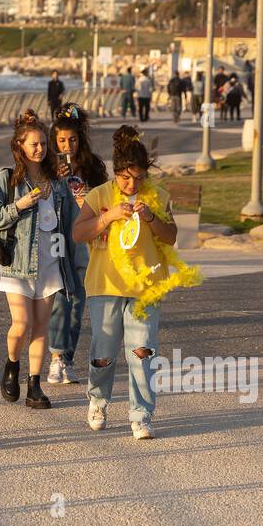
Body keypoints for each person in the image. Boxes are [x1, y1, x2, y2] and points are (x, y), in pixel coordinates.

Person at [71, 126, 201, 438]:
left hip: (147, 287)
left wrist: (153, 218)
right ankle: (98, 401)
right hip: (106, 284)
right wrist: (109, 216)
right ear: (116, 173)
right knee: (103, 353)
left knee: (143, 351)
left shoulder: (158, 197)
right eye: (126, 177)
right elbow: (78, 233)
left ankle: (141, 414)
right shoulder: (99, 195)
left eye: (139, 177)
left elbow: (172, 237)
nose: (133, 183)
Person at [0, 110, 80, 410]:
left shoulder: (58, 182)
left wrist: (84, 205)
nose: (40, 149)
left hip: (51, 262)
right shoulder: (7, 179)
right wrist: (18, 205)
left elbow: (69, 221)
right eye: (33, 144)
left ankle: (34, 385)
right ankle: (12, 364)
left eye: (42, 144)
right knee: (21, 324)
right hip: (18, 264)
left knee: (41, 328)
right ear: (20, 147)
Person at [47, 107, 108, 385]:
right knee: (62, 296)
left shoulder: (92, 166)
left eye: (71, 140)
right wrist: (54, 178)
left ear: (79, 139)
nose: (67, 146)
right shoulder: (48, 166)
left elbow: (105, 198)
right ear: (54, 141)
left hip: (85, 239)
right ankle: (56, 357)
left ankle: (68, 359)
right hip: (58, 236)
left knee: (78, 299)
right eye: (61, 141)